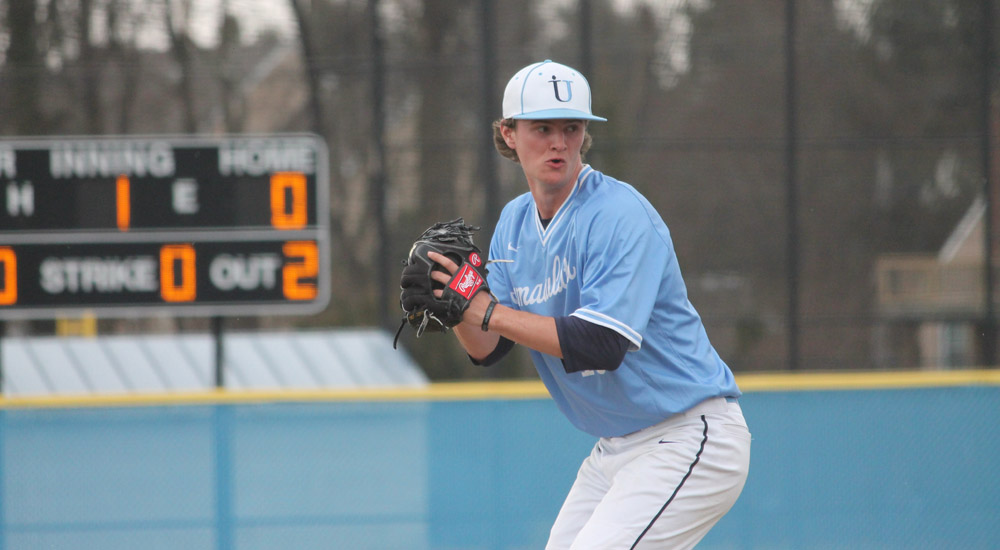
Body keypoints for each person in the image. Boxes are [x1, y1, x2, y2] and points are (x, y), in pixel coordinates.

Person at [424, 60, 751, 549]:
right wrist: (452, 306)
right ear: (509, 134)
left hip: (688, 434)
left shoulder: (619, 214)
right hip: (618, 446)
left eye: (571, 128)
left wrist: (481, 307)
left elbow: (602, 343)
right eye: (542, 128)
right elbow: (489, 348)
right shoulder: (514, 224)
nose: (559, 142)